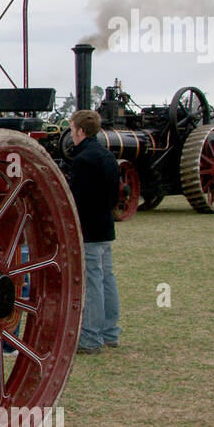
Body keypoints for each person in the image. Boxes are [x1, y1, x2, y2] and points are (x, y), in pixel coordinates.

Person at [69, 109, 121, 354]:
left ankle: (90, 338)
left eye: (72, 130)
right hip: (105, 227)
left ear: (80, 131)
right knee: (106, 279)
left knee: (92, 282)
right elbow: (115, 195)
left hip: (88, 230)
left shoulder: (82, 160)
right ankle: (110, 332)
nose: (72, 135)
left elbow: (77, 199)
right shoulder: (108, 157)